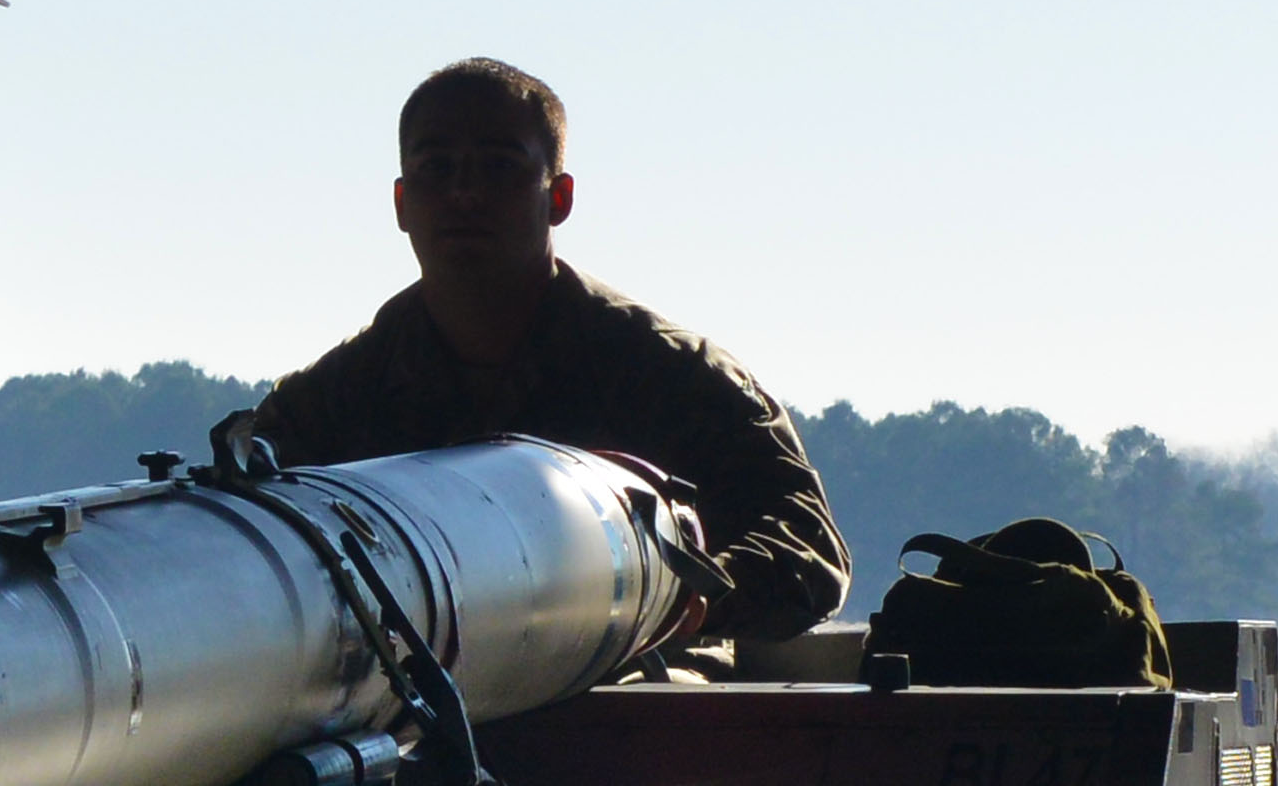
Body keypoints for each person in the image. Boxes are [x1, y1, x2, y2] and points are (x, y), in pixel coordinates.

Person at [254, 58, 845, 645]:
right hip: (409, 712)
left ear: (558, 196)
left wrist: (684, 595)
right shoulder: (332, 401)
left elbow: (809, 545)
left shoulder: (669, 376)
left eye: (500, 167)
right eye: (437, 168)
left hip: (623, 699)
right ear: (402, 203)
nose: (464, 193)